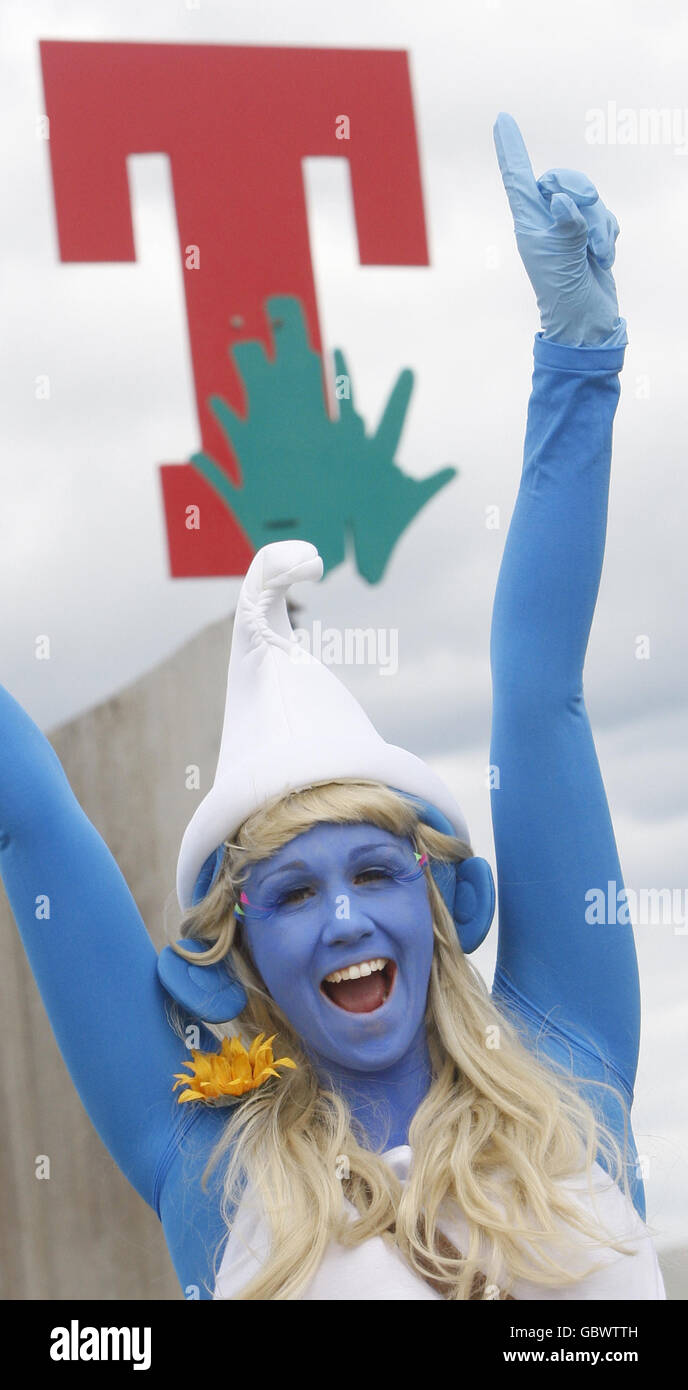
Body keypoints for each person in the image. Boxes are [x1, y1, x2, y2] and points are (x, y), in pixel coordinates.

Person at [0, 114, 665, 1300]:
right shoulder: (213, 1164)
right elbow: (32, 818)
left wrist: (580, 357)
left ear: (433, 888)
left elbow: (541, 690)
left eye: (374, 870)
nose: (347, 918)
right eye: (294, 893)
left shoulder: (567, 1064)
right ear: (238, 940)